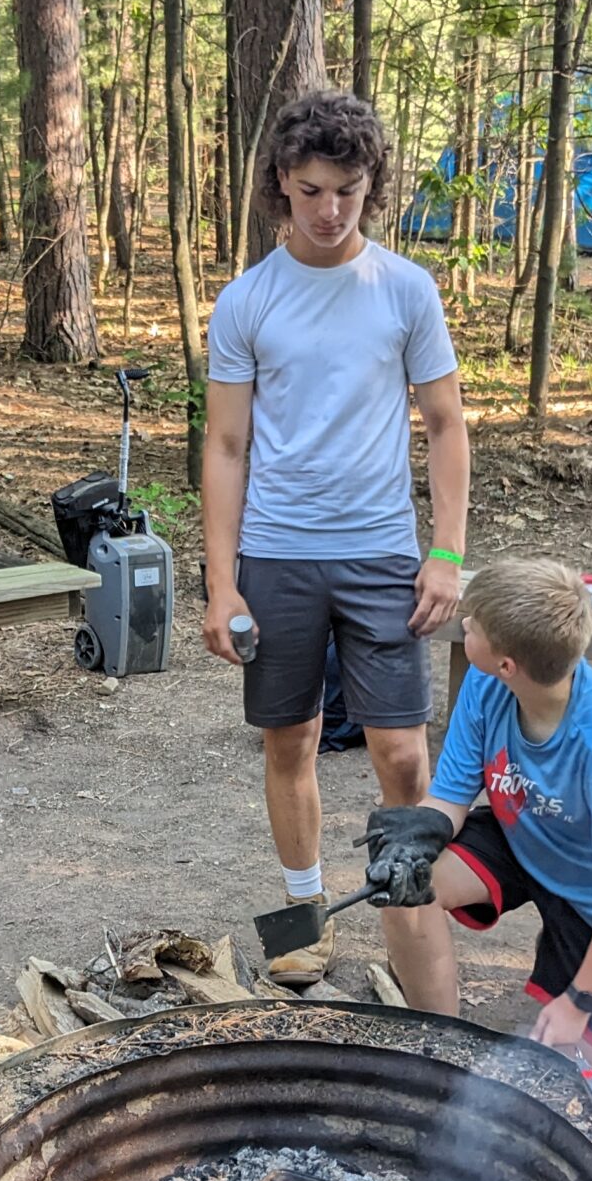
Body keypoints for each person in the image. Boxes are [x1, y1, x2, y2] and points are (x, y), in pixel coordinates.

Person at [200, 88, 472, 991]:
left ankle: (408, 914)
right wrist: (221, 583)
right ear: (282, 181)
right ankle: (303, 917)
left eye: (347, 192)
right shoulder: (247, 300)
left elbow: (445, 424)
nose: (329, 210)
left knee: (403, 753)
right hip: (277, 554)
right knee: (292, 742)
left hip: (382, 552)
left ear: (371, 186)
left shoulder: (405, 289)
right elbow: (227, 445)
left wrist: (446, 553)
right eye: (312, 190)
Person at [367, 559, 592, 1085]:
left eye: (473, 626)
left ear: (508, 663)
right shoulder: (486, 681)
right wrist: (418, 835)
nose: (464, 625)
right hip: (526, 831)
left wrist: (579, 1001)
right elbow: (451, 795)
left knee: (563, 1076)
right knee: (406, 884)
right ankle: (443, 1052)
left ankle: (579, 993)